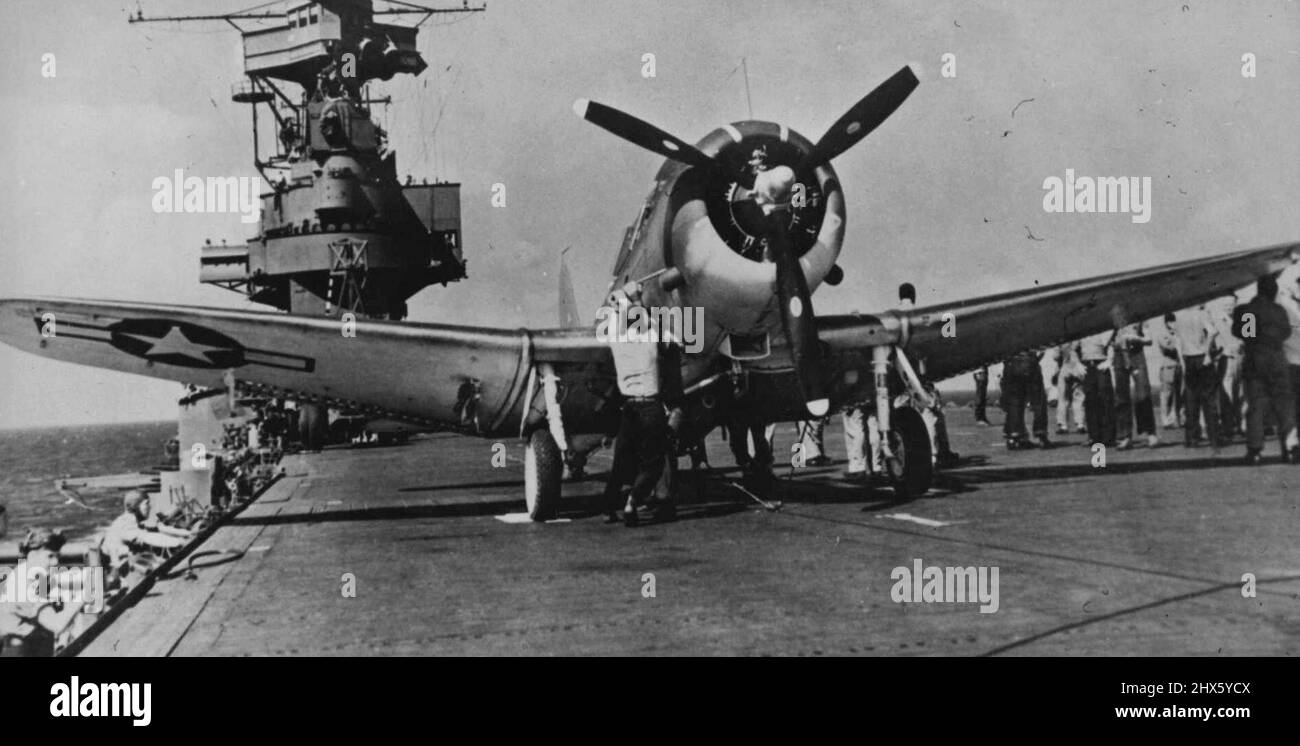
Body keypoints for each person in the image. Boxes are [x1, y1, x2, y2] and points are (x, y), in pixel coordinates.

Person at [601, 282, 684, 526]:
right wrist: (636, 296)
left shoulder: (617, 340)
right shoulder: (651, 337)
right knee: (653, 464)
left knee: (620, 464)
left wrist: (622, 297)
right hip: (651, 408)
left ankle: (608, 506)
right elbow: (652, 325)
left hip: (628, 408)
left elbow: (623, 313)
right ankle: (632, 501)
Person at [1233, 275, 1298, 464]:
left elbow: (1244, 334)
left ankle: (1255, 450)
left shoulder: (1247, 310)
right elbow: (1286, 332)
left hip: (1255, 361)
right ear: (1274, 292)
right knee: (1284, 404)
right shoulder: (1279, 311)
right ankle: (1290, 446)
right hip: (1278, 361)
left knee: (1256, 406)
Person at [102, 490, 192, 573]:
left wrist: (189, 533)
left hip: (125, 560)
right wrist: (178, 542)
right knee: (159, 565)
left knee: (160, 562)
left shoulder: (129, 520)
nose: (150, 507)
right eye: (146, 504)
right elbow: (148, 537)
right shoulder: (126, 525)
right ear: (135, 506)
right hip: (114, 570)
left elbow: (158, 528)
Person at [1174, 305, 1222, 450]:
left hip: (1188, 358)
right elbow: (1213, 332)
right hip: (1202, 357)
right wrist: (1207, 353)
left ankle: (1192, 439)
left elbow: (1177, 340)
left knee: (1191, 400)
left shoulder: (1179, 315)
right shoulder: (1202, 314)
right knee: (1209, 399)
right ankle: (1214, 438)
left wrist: (1182, 361)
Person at [1113, 322, 1159, 449]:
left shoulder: (1140, 317)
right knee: (1121, 396)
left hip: (1137, 354)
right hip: (1119, 356)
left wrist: (1136, 338)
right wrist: (1118, 342)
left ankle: (1150, 433)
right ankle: (1125, 436)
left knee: (1143, 393)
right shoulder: (1112, 317)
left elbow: (1149, 340)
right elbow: (1108, 341)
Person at [1000, 350, 1051, 449]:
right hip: (1030, 361)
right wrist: (1035, 360)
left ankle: (1014, 437)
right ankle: (1041, 436)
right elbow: (1041, 350)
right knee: (1038, 401)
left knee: (1014, 403)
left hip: (1012, 363)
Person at [1078, 332, 1116, 447]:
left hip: (1101, 363)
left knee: (1106, 400)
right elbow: (1072, 348)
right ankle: (1094, 437)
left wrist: (1110, 360)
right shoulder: (1080, 327)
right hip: (1087, 365)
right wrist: (1077, 364)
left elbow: (1114, 343)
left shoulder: (1102, 325)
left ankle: (1109, 437)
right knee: (1090, 401)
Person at [1155, 314, 1184, 429]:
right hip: (1168, 367)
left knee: (1179, 394)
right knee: (1167, 394)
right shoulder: (1163, 335)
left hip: (1178, 366)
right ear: (1167, 323)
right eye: (1171, 322)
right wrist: (1178, 341)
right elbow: (1170, 347)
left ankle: (1178, 418)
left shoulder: (1177, 334)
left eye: (1174, 322)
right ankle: (1165, 419)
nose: (1173, 324)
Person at [1054, 343, 1087, 435]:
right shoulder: (1079, 340)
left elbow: (1056, 356)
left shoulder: (1061, 341)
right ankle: (1080, 423)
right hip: (1078, 370)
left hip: (1065, 368)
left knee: (1063, 398)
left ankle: (1063, 425)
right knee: (1079, 397)